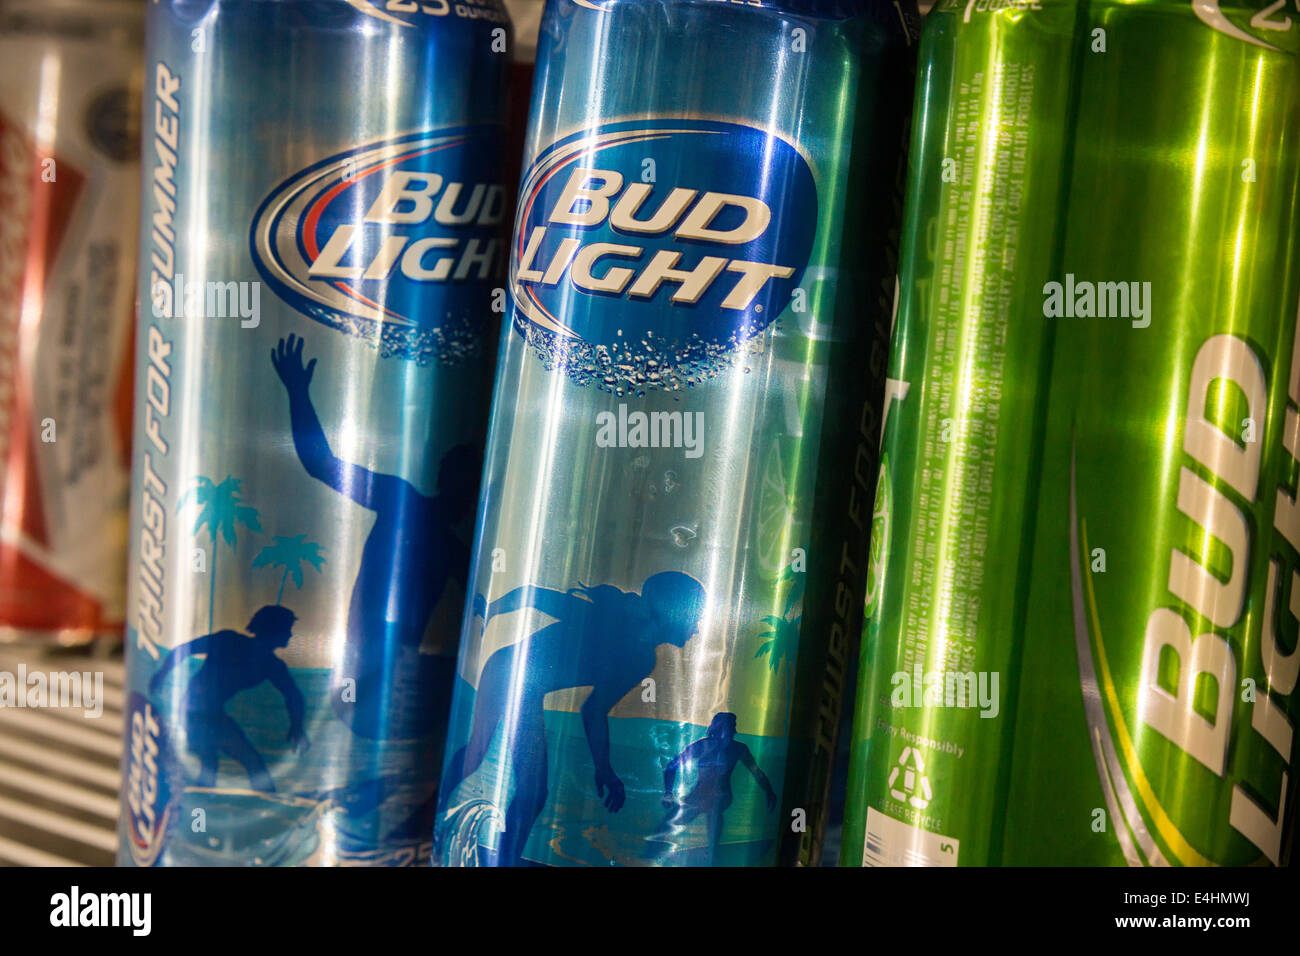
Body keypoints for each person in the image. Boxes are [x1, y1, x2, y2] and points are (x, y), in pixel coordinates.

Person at [271, 333, 476, 738]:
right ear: (446, 481)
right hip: (363, 691)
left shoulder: (453, 549)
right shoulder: (401, 500)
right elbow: (321, 464)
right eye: (462, 484)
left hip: (391, 699)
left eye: (470, 488)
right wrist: (298, 392)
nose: (466, 497)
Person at [439, 572, 708, 866]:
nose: (697, 626)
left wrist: (604, 769)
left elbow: (593, 710)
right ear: (674, 610)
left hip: (525, 691)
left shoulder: (641, 658)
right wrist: (490, 609)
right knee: (492, 763)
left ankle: (502, 857)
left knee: (531, 791)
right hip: (506, 672)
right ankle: (448, 826)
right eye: (696, 614)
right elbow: (535, 594)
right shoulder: (611, 619)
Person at [149, 605, 307, 792]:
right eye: (287, 629)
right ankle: (266, 799)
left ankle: (202, 801)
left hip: (210, 713)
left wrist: (297, 725)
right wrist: (161, 674)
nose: (290, 635)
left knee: (215, 764)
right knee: (240, 763)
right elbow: (184, 649)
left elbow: (293, 695)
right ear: (275, 630)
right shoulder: (229, 640)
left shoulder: (272, 665)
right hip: (193, 710)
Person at [656, 711, 777, 857]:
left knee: (714, 808)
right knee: (671, 821)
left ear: (732, 729)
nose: (725, 731)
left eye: (729, 726)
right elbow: (672, 766)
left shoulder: (738, 749)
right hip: (698, 795)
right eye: (722, 726)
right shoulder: (703, 746)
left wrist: (769, 791)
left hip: (721, 794)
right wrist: (668, 793)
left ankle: (712, 849)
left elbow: (756, 772)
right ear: (715, 728)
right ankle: (656, 848)